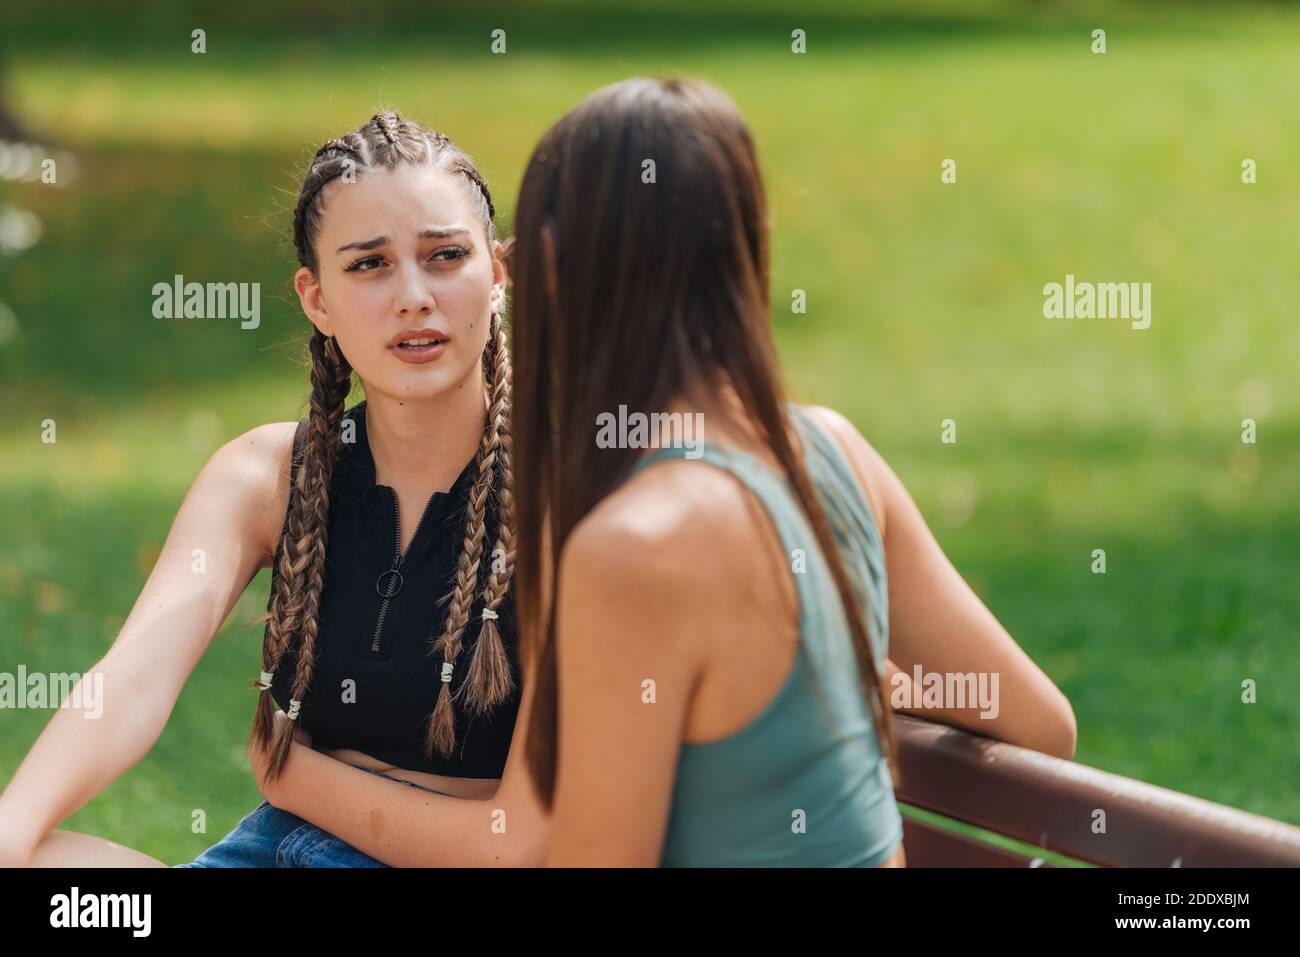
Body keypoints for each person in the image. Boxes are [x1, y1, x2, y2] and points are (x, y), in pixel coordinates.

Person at [508, 77, 1078, 866]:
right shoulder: (834, 453)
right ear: (741, 250)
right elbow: (1042, 724)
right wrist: (853, 681)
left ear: (549, 264)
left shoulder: (635, 547)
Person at [0, 112, 547, 867]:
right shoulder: (266, 475)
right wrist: (10, 827)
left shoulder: (568, 495)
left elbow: (514, 846)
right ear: (316, 299)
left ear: (496, 275)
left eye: (445, 256)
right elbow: (129, 681)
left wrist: (290, 773)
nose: (414, 296)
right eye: (368, 265)